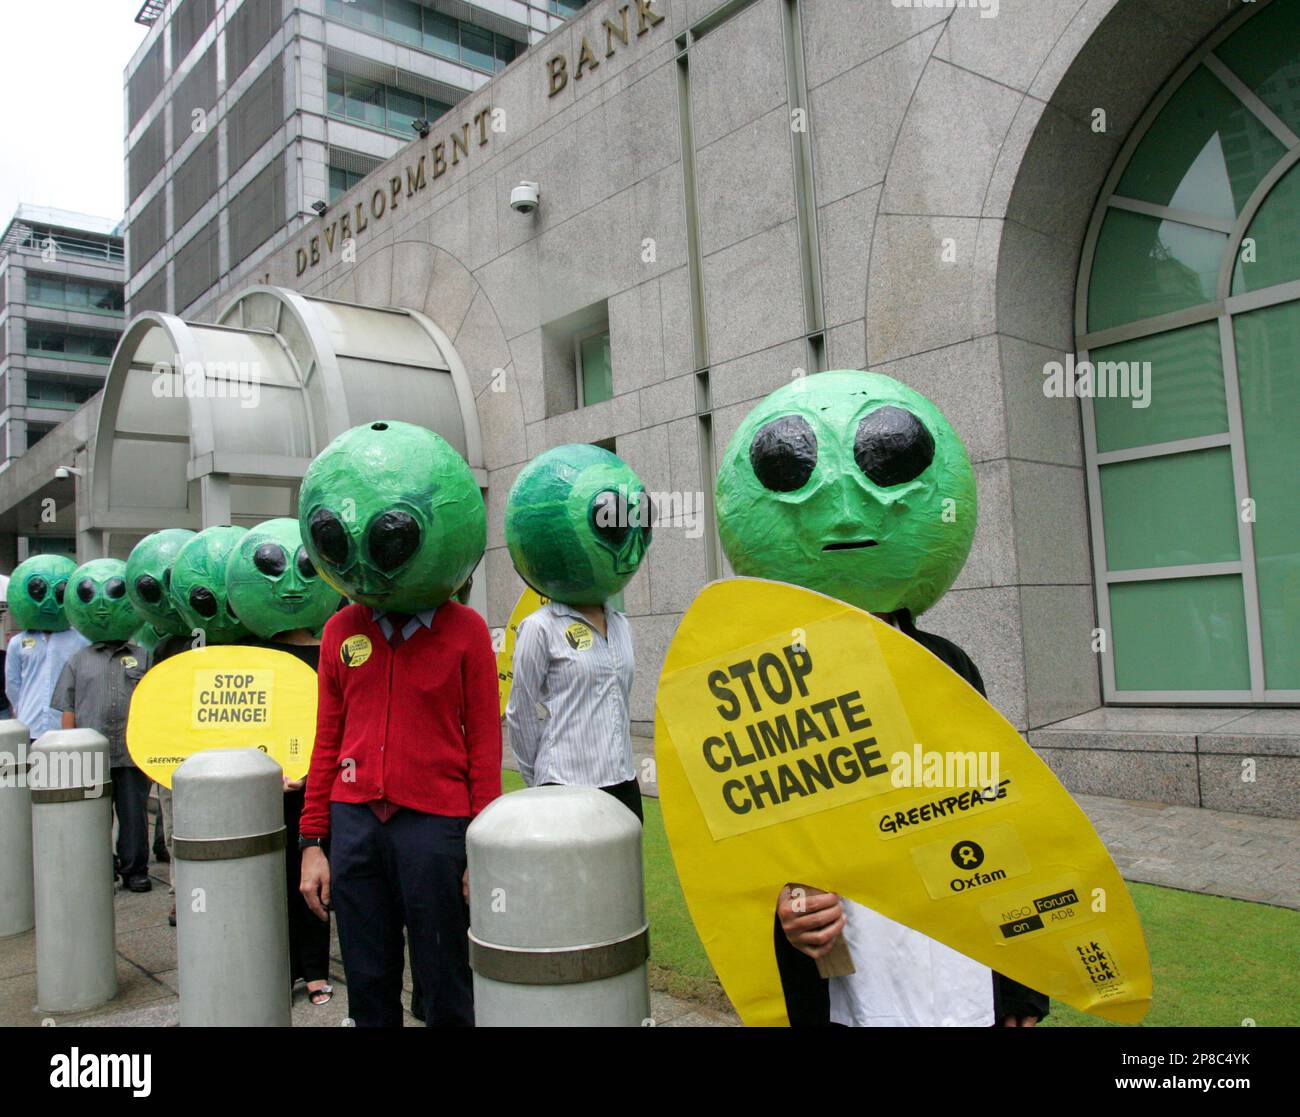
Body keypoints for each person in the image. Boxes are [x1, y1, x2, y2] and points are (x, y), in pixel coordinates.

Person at [714, 371, 1048, 1028]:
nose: (845, 512)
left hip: (957, 971)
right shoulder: (760, 684)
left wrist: (1019, 984)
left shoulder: (953, 667)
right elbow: (745, 851)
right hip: (853, 982)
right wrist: (786, 910)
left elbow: (995, 821)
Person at [296, 420, 500, 1027]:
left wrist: (479, 848)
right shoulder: (340, 630)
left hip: (435, 827)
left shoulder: (464, 633)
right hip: (355, 821)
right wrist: (312, 841)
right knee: (367, 976)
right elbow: (327, 737)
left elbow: (486, 746)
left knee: (445, 980)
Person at [503, 444, 654, 823]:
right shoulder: (540, 627)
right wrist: (539, 784)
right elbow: (520, 712)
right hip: (565, 784)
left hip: (623, 781)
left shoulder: (620, 624)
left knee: (624, 882)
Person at [226, 517, 343, 1007]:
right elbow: (235, 719)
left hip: (319, 787)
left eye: (304, 569)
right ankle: (278, 965)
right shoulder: (247, 655)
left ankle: (314, 968)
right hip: (265, 788)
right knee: (266, 881)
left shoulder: (336, 650)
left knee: (313, 877)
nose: (292, 585)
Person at [53, 558, 151, 892]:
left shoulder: (143, 656)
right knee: (94, 816)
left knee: (134, 815)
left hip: (130, 751)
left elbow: (153, 702)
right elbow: (67, 706)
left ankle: (135, 869)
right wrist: (71, 749)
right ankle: (101, 866)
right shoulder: (78, 660)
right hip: (90, 756)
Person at [5, 555, 89, 742]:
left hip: (66, 727)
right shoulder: (18, 642)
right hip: (29, 725)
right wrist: (22, 709)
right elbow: (13, 684)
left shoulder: (80, 639)